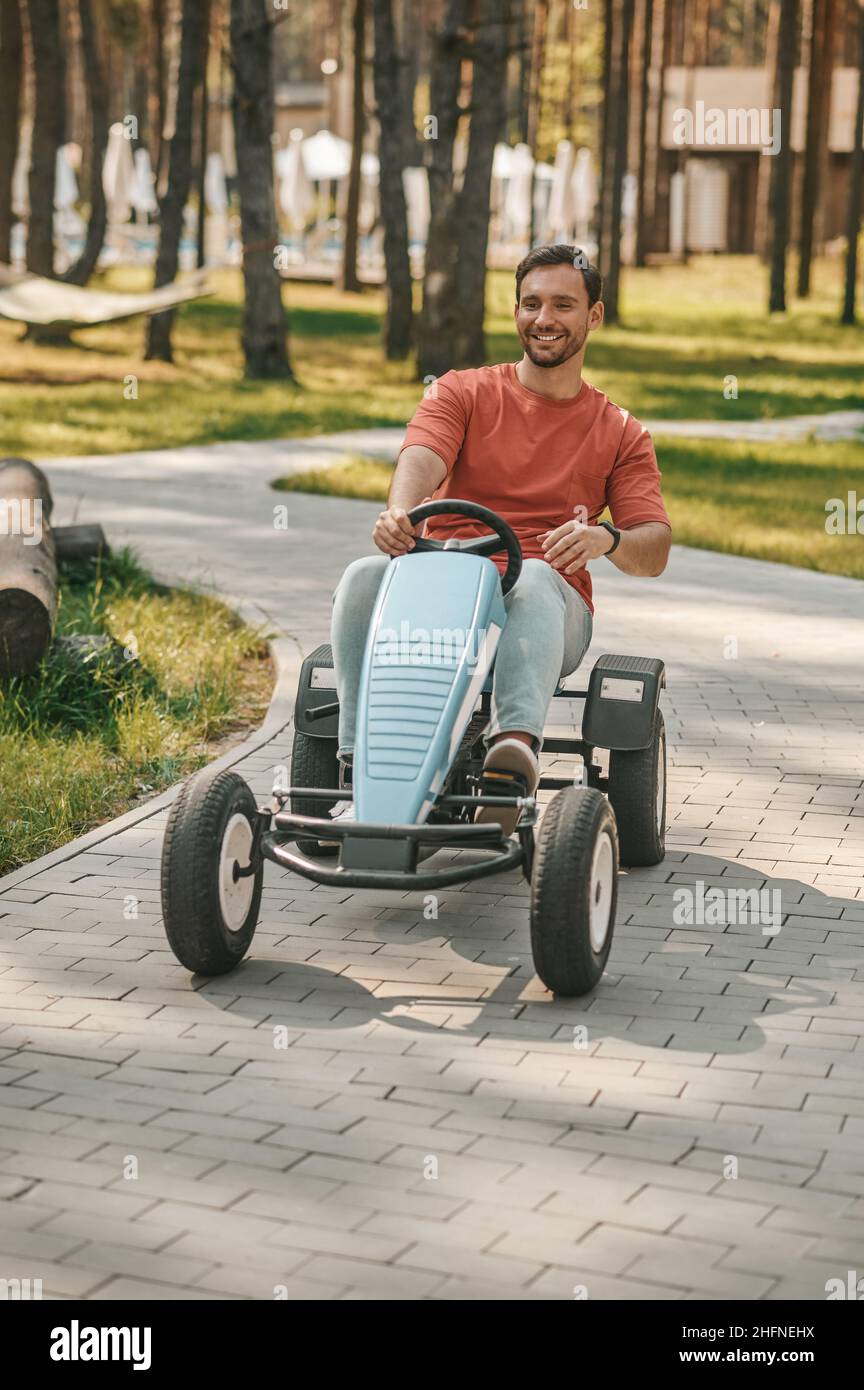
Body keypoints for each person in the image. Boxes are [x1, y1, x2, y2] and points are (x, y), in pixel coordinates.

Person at [329, 243, 672, 833]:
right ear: (515, 312)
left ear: (594, 316)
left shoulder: (620, 431)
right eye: (531, 304)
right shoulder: (462, 391)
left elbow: (654, 547)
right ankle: (359, 769)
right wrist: (401, 513)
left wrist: (605, 541)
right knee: (364, 576)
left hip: (546, 604)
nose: (544, 319)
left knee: (536, 576)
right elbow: (421, 454)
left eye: (563, 305)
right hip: (446, 587)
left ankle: (510, 760)